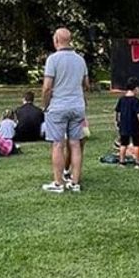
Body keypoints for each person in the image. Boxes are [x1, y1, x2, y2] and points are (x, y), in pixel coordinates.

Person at [41, 28, 89, 193]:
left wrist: (46, 105)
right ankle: (75, 182)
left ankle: (58, 182)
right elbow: (86, 85)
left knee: (58, 144)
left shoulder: (52, 60)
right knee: (75, 144)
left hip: (58, 106)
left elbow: (47, 87)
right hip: (77, 105)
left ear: (56, 40)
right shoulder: (80, 60)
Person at [114, 77, 139, 167]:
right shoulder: (136, 101)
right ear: (136, 88)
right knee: (137, 144)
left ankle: (122, 162)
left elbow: (117, 112)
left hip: (124, 125)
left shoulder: (121, 99)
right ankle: (138, 162)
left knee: (123, 144)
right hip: (134, 125)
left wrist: (117, 122)